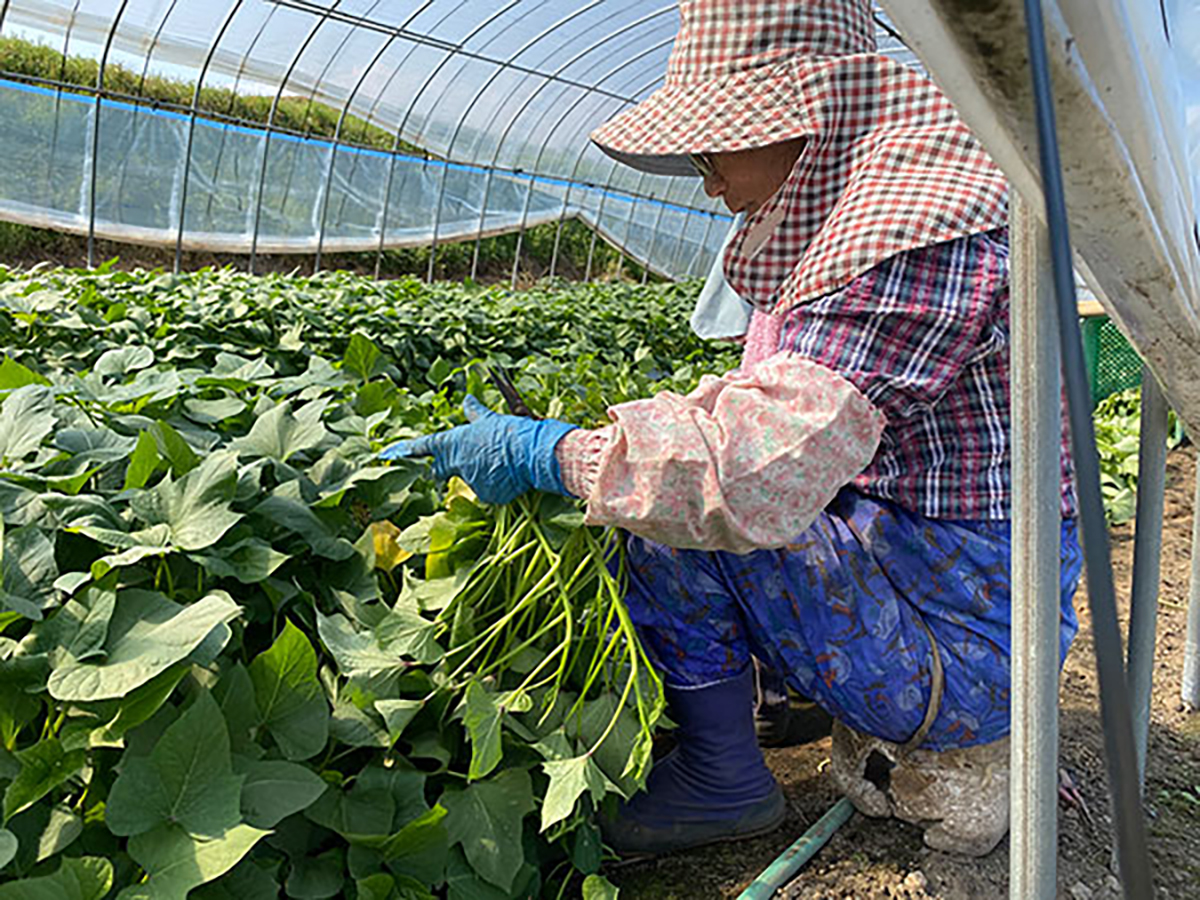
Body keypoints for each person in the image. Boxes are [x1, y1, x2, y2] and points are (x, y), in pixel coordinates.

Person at [382, 0, 1081, 860]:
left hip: (963, 644)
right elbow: (774, 407)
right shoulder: (874, 198)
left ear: (805, 118)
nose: (708, 180)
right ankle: (770, 707)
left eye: (714, 148)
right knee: (664, 481)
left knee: (673, 527)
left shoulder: (909, 235)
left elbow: (743, 477)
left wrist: (550, 454)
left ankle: (724, 773)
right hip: (933, 578)